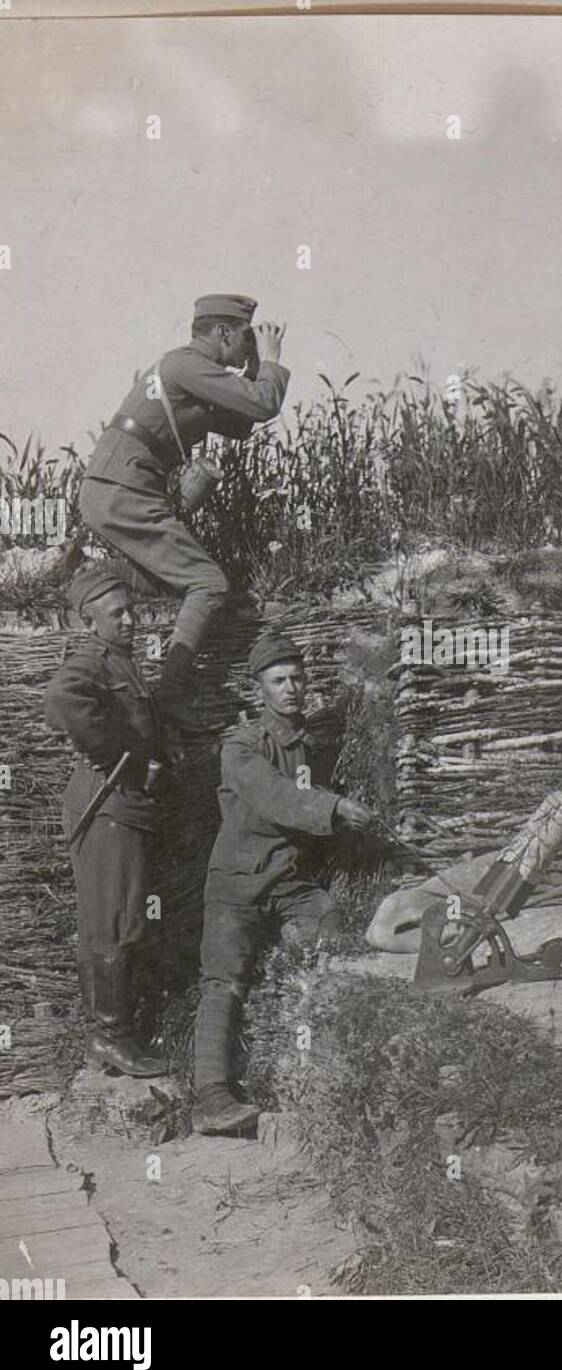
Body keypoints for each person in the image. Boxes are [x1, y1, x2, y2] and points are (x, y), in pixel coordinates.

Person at [78, 295, 289, 732]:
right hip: (125, 489)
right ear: (223, 332)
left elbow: (242, 422)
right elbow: (265, 403)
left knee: (170, 581)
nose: (249, 347)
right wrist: (270, 360)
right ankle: (172, 690)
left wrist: (252, 368)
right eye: (245, 338)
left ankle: (85, 573)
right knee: (208, 583)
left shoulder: (193, 373)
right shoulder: (184, 365)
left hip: (118, 487)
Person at [192, 634, 376, 1135]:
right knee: (224, 980)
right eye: (279, 681)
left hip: (288, 880)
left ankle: (325, 1065)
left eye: (297, 677)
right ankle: (211, 1096)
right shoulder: (242, 747)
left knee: (331, 929)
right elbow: (275, 797)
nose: (291, 688)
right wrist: (333, 807)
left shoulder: (309, 746)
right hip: (238, 881)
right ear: (260, 691)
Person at [44, 566, 170, 1077]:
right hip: (106, 806)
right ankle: (111, 1037)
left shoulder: (122, 662)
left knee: (121, 918)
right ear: (89, 621)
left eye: (131, 609)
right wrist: (118, 754)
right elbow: (59, 701)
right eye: (116, 613)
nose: (130, 620)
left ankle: (112, 1033)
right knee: (111, 922)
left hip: (126, 807)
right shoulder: (90, 660)